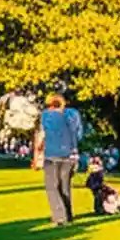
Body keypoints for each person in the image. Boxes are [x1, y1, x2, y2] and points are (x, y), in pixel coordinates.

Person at [38, 93, 83, 226]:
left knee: (52, 187)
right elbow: (78, 133)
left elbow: (41, 134)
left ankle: (59, 216)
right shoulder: (72, 115)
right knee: (64, 186)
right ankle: (68, 215)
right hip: (70, 154)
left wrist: (38, 152)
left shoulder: (45, 115)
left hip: (52, 154)